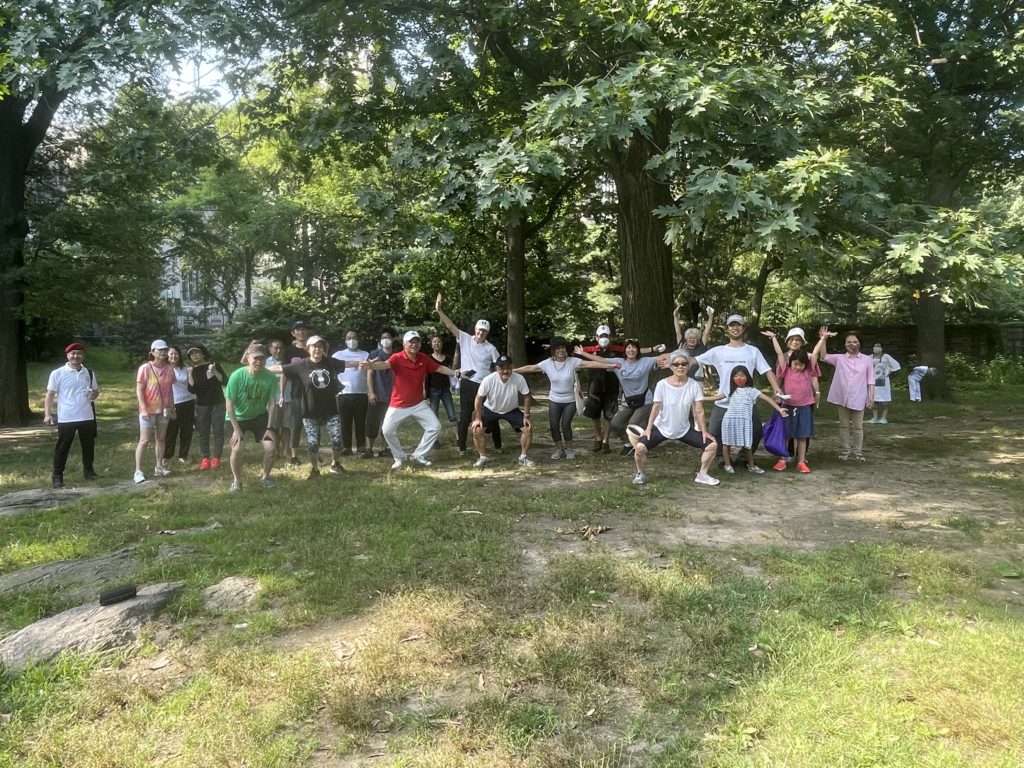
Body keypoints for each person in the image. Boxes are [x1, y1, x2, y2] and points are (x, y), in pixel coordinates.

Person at [359, 329, 462, 470]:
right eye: (411, 342)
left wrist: (457, 373)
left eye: (417, 341)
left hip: (418, 403)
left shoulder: (423, 358)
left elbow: (440, 369)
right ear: (404, 344)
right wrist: (371, 365)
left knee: (435, 427)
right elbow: (385, 365)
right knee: (387, 430)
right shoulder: (397, 357)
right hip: (398, 404)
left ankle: (419, 455)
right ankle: (399, 458)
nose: (414, 344)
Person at [692, 314, 783, 459]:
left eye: (738, 325)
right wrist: (674, 359)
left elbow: (767, 371)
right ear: (727, 329)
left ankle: (744, 457)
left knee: (756, 431)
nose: (735, 328)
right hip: (723, 401)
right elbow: (693, 360)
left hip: (746, 401)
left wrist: (777, 390)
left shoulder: (753, 351)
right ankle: (722, 457)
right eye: (732, 325)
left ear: (743, 328)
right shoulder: (718, 351)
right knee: (714, 431)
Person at [514, 337, 619, 459]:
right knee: (554, 426)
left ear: (566, 349)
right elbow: (530, 368)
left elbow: (590, 363)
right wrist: (513, 370)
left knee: (565, 425)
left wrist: (610, 365)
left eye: (563, 348)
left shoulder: (573, 361)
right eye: (558, 348)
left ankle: (569, 449)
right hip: (554, 400)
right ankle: (559, 449)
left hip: (570, 400)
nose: (561, 350)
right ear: (553, 350)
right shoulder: (547, 363)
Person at [631, 351, 719, 487]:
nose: (680, 367)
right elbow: (655, 408)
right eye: (676, 364)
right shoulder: (662, 384)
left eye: (684, 364)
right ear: (671, 367)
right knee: (640, 448)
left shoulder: (694, 385)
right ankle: (640, 474)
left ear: (688, 366)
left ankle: (702, 474)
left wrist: (704, 431)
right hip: (661, 428)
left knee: (712, 445)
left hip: (683, 429)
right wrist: (648, 428)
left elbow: (699, 410)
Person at [271, 336, 350, 478]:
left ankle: (335, 464)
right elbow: (280, 368)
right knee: (313, 443)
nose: (317, 349)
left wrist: (364, 363)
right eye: (314, 346)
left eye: (320, 346)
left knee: (337, 439)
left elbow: (348, 363)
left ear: (324, 349)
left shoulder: (330, 362)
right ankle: (315, 470)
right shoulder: (300, 365)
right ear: (308, 349)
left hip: (331, 410)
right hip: (310, 412)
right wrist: (257, 368)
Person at [435, 293, 501, 454]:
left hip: (484, 385)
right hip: (467, 383)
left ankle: (498, 446)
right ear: (475, 330)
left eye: (484, 331)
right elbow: (450, 326)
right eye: (479, 330)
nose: (481, 333)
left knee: (491, 414)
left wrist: (497, 381)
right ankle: (462, 448)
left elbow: (499, 365)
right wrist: (439, 310)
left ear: (487, 333)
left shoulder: (491, 348)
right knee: (464, 417)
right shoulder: (465, 338)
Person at [574, 339, 661, 456]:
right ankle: (628, 445)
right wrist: (582, 353)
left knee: (633, 423)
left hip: (645, 400)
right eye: (628, 348)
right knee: (616, 424)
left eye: (634, 347)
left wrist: (681, 352)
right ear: (624, 350)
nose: (631, 350)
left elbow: (663, 357)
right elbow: (601, 360)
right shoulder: (618, 363)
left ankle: (639, 448)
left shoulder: (645, 361)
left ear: (638, 350)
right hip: (628, 401)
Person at [43, 342, 100, 489]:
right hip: (67, 417)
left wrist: (94, 394)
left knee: (88, 446)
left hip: (86, 416)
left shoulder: (89, 372)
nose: (76, 356)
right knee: (62, 447)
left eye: (79, 353)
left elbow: (95, 392)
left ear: (83, 356)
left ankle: (89, 471)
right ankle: (57, 476)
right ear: (67, 355)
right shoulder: (58, 373)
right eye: (73, 353)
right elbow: (50, 394)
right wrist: (47, 414)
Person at [714, 365, 790, 474]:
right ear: (732, 378)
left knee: (747, 444)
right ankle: (727, 464)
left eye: (741, 375)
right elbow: (717, 397)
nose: (739, 378)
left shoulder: (752, 391)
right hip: (729, 420)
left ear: (747, 377)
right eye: (736, 376)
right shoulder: (730, 390)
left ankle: (751, 465)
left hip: (745, 421)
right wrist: (699, 397)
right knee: (726, 443)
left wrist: (780, 409)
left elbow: (768, 398)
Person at [224, 342, 279, 492]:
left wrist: (269, 428)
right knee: (237, 449)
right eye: (255, 358)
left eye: (261, 358)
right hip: (237, 418)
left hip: (259, 417)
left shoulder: (270, 377)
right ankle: (237, 481)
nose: (258, 362)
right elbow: (229, 404)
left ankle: (266, 477)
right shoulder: (237, 376)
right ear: (248, 358)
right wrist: (236, 429)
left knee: (271, 448)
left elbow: (273, 403)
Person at [819, 327, 875, 461]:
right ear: (844, 344)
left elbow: (870, 380)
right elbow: (823, 356)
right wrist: (824, 339)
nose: (852, 344)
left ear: (859, 343)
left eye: (855, 341)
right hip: (842, 397)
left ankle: (858, 452)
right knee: (843, 426)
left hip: (859, 397)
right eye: (848, 342)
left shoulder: (867, 360)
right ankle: (845, 451)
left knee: (858, 427)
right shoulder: (839, 358)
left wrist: (871, 397)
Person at [471, 354, 536, 468]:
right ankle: (483, 457)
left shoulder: (519, 378)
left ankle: (523, 457)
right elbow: (478, 397)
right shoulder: (488, 380)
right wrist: (477, 418)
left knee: (528, 428)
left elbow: (526, 396)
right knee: (477, 429)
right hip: (490, 409)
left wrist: (526, 415)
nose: (505, 371)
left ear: (512, 367)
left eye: (508, 367)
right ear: (497, 369)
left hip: (511, 410)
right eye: (502, 368)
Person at [134, 339, 175, 484]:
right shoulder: (145, 368)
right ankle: (138, 471)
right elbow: (139, 390)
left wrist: (171, 406)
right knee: (144, 440)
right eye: (159, 350)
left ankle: (159, 467)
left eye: (164, 350)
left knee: (161, 438)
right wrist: (143, 408)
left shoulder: (169, 368)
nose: (163, 352)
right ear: (152, 352)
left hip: (164, 410)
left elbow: (170, 390)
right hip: (148, 410)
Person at [772, 348, 820, 473]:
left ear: (806, 365)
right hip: (787, 407)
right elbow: (779, 354)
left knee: (802, 436)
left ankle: (801, 462)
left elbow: (814, 354)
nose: (798, 367)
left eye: (801, 365)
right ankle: (783, 459)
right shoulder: (786, 370)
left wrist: (822, 339)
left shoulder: (809, 371)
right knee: (786, 435)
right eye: (796, 364)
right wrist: (773, 338)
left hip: (804, 408)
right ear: (790, 362)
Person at [580, 325, 622, 453]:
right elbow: (571, 354)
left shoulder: (618, 350)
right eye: (601, 336)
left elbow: (635, 350)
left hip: (611, 388)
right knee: (595, 415)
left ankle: (606, 441)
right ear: (596, 337)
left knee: (609, 416)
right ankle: (598, 438)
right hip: (594, 388)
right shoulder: (588, 351)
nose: (604, 338)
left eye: (606, 336)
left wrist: (653, 349)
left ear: (610, 337)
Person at [186, 344, 226, 471]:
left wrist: (214, 371)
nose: (195, 355)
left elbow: (225, 381)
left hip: (217, 403)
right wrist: (190, 375)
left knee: (218, 431)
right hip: (201, 405)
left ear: (203, 353)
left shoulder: (213, 365)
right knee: (203, 432)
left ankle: (216, 458)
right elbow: (192, 389)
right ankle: (205, 458)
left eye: (197, 352)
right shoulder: (193, 370)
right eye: (192, 354)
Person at [333, 329, 370, 456]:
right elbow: (331, 370)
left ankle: (361, 446)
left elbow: (370, 372)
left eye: (354, 337)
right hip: (344, 394)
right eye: (349, 338)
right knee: (345, 422)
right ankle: (346, 447)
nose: (351, 340)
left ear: (358, 339)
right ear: (345, 340)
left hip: (361, 393)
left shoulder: (365, 354)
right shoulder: (338, 355)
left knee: (360, 421)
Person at [162, 345, 195, 471]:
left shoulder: (185, 368)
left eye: (176, 354)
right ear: (167, 355)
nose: (173, 356)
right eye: (171, 354)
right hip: (172, 403)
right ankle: (167, 456)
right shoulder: (164, 369)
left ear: (179, 355)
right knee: (171, 431)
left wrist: (190, 374)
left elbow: (192, 385)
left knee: (187, 430)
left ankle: (183, 455)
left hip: (188, 401)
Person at [365, 327, 397, 458]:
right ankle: (369, 449)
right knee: (372, 422)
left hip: (392, 396)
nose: (386, 340)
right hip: (377, 395)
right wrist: (371, 392)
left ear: (394, 339)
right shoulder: (374, 354)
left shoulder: (397, 355)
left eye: (388, 337)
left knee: (388, 424)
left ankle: (385, 449)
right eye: (383, 338)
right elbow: (369, 373)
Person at [266, 339, 299, 466]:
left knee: (286, 426)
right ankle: (275, 449)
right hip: (272, 398)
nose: (278, 350)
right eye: (275, 348)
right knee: (274, 426)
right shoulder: (266, 362)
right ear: (270, 349)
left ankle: (286, 450)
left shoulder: (288, 360)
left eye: (281, 348)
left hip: (288, 397)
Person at [427, 335, 458, 431]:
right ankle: (435, 439)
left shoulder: (447, 358)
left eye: (439, 342)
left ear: (442, 344)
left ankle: (458, 438)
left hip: (445, 389)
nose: (437, 343)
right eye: (434, 342)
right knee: (433, 415)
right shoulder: (428, 358)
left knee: (452, 414)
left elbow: (452, 371)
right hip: (433, 390)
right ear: (431, 345)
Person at [868, 342, 901, 423]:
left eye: (878, 346)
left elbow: (896, 365)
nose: (876, 347)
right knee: (873, 399)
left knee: (884, 400)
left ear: (882, 348)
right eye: (874, 346)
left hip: (883, 381)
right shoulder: (870, 357)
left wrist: (889, 370)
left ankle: (883, 418)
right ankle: (875, 418)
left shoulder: (886, 356)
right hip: (873, 380)